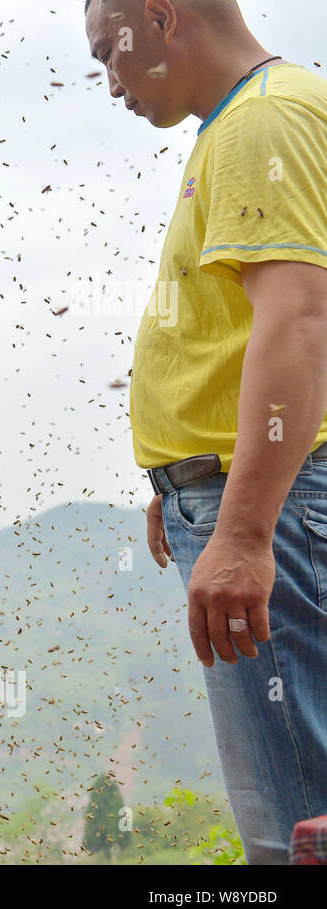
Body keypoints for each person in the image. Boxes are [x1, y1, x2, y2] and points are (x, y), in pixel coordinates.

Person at [85, 0, 327, 863]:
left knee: (295, 825)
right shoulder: (236, 126)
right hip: (240, 495)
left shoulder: (265, 119)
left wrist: (243, 525)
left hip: (277, 515)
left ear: (158, 17)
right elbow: (234, 333)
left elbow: (299, 323)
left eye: (107, 53)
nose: (107, 79)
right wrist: (180, 479)